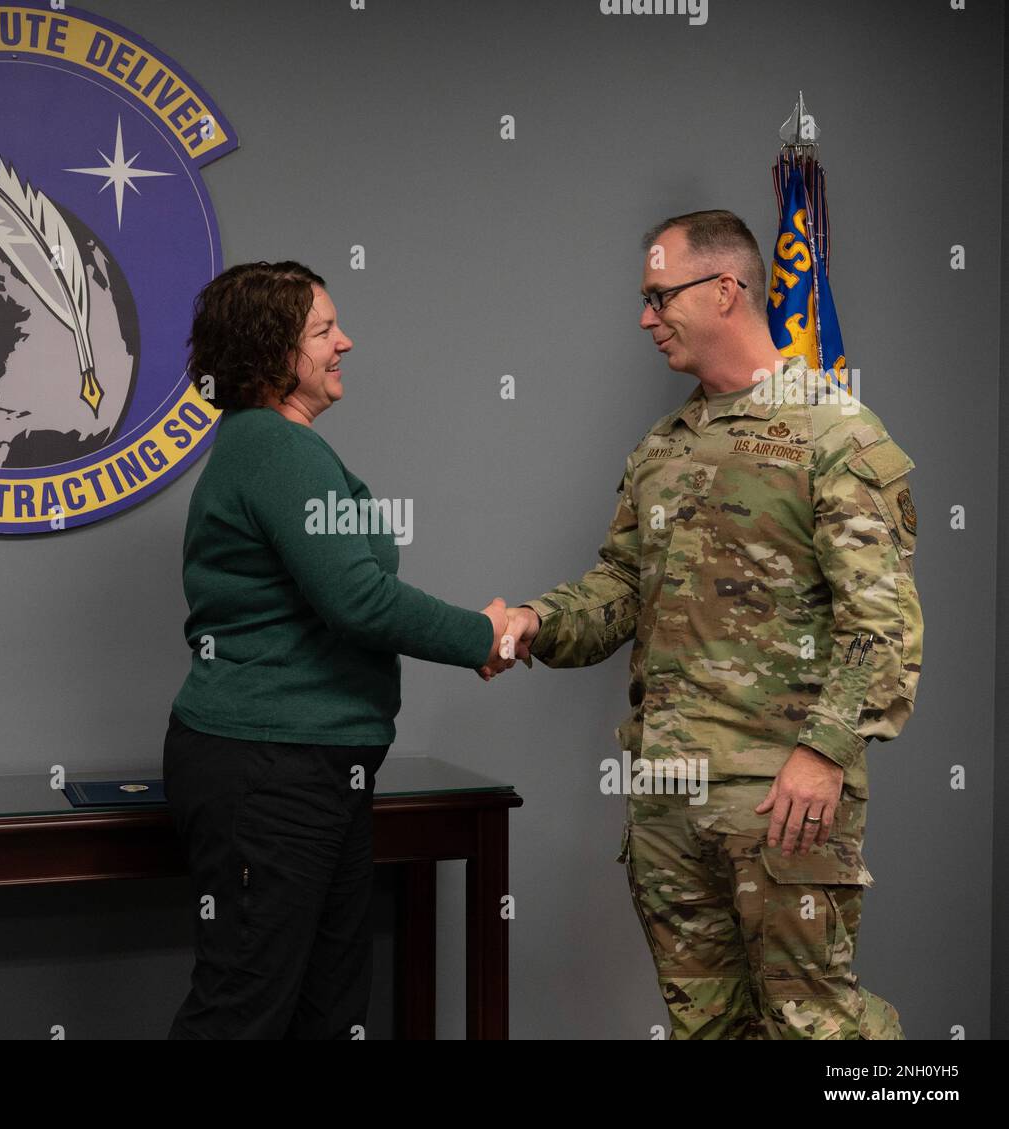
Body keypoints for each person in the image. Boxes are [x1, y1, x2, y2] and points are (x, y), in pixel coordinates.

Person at [484, 210, 922, 1039]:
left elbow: (880, 624)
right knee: (706, 1028)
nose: (646, 319)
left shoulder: (833, 430)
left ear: (726, 289)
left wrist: (825, 753)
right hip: (667, 799)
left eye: (659, 297)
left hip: (780, 801)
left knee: (816, 1027)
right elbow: (621, 585)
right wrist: (539, 621)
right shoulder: (662, 447)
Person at [164, 260, 513, 1039]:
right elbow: (358, 598)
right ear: (271, 350)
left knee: (330, 1008)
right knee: (244, 1008)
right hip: (270, 770)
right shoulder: (276, 448)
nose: (344, 342)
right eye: (324, 330)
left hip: (313, 765)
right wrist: (482, 634)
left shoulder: (274, 446)